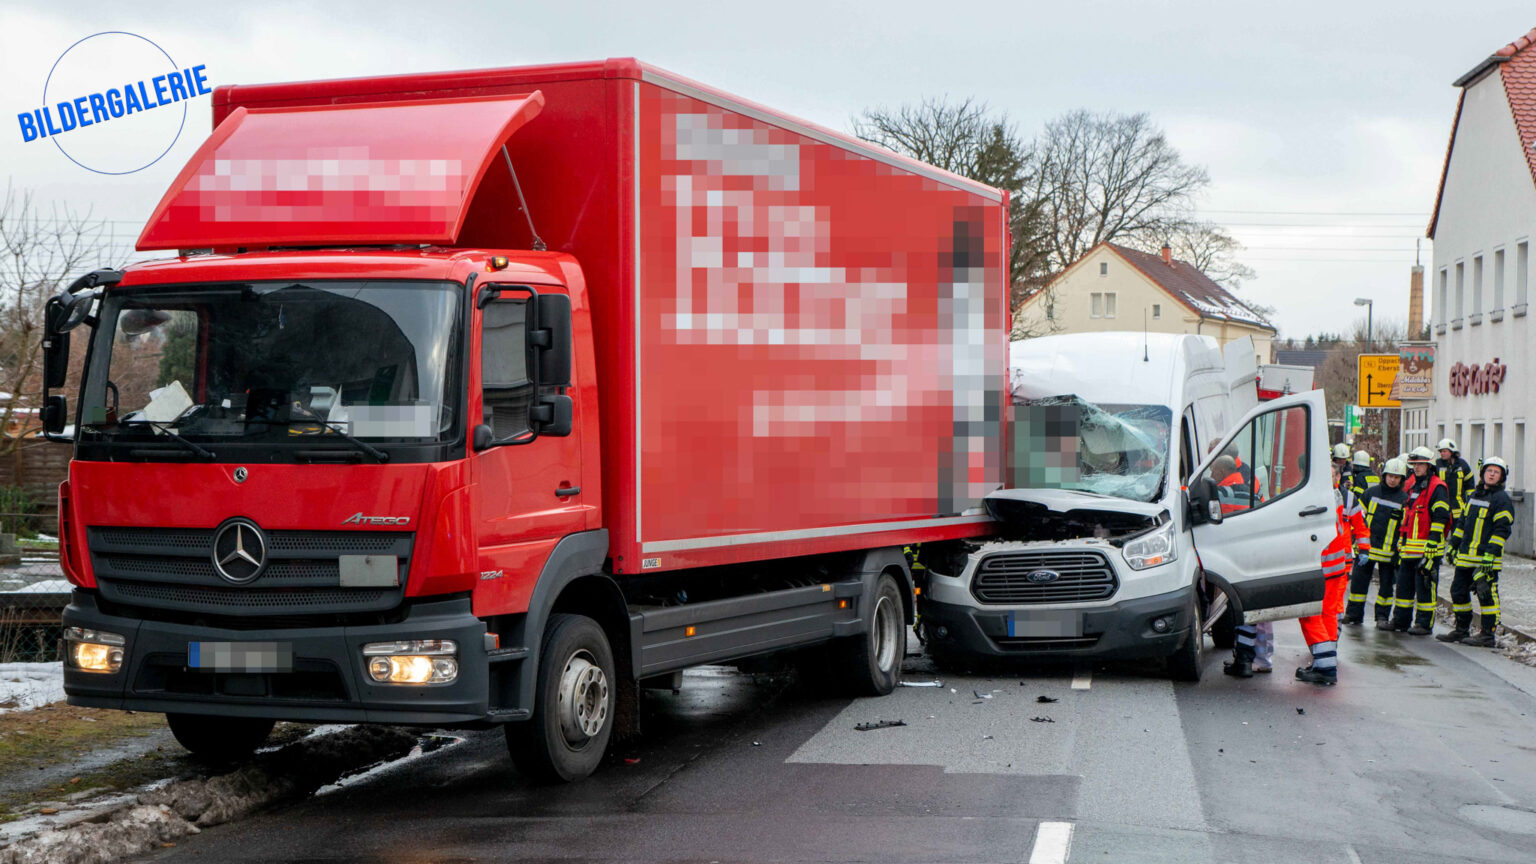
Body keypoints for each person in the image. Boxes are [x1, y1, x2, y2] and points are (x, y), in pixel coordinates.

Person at [1436, 457, 1516, 648]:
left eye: (1496, 472)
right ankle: (1461, 629)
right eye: (1489, 471)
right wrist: (1453, 545)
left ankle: (1487, 635)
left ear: (1501, 477)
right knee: (1457, 591)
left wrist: (1490, 554)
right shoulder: (1474, 496)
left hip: (1485, 560)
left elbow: (1502, 529)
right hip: (1465, 556)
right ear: (1483, 473)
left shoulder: (1501, 499)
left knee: (1486, 595)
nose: (1492, 474)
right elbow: (1463, 523)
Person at [1296, 460, 1362, 685]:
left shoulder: (1318, 496)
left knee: (1310, 613)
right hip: (1335, 564)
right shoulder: (1336, 497)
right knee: (1329, 613)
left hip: (1322, 564)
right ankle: (1327, 660)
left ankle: (1324, 666)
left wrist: (1364, 549)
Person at [1341, 458, 1409, 627]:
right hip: (1367, 549)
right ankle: (1353, 614)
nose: (1392, 480)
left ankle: (1382, 617)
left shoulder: (1404, 500)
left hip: (1390, 552)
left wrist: (1400, 550)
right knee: (1358, 583)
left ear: (1401, 479)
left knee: (1386, 587)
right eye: (1390, 476)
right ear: (1384, 475)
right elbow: (1356, 518)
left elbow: (1404, 527)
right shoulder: (1371, 493)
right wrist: (1352, 540)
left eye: (1396, 477)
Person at [1392, 447, 1452, 634]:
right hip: (1409, 549)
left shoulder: (1438, 487)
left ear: (1429, 466)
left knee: (1425, 588)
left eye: (1420, 464)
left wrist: (1433, 544)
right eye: (1414, 464)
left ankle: (1424, 624)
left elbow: (1441, 517)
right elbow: (1408, 518)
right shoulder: (1413, 487)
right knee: (1403, 588)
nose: (1416, 468)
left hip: (1427, 550)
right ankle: (1400, 621)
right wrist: (1401, 541)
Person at [1435, 438, 1475, 531]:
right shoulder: (1437, 464)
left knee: (1458, 537)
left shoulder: (1462, 465)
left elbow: (1470, 486)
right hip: (1442, 507)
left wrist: (1470, 504)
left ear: (1452, 452)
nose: (1442, 453)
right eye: (1441, 451)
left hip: (1459, 508)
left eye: (1444, 451)